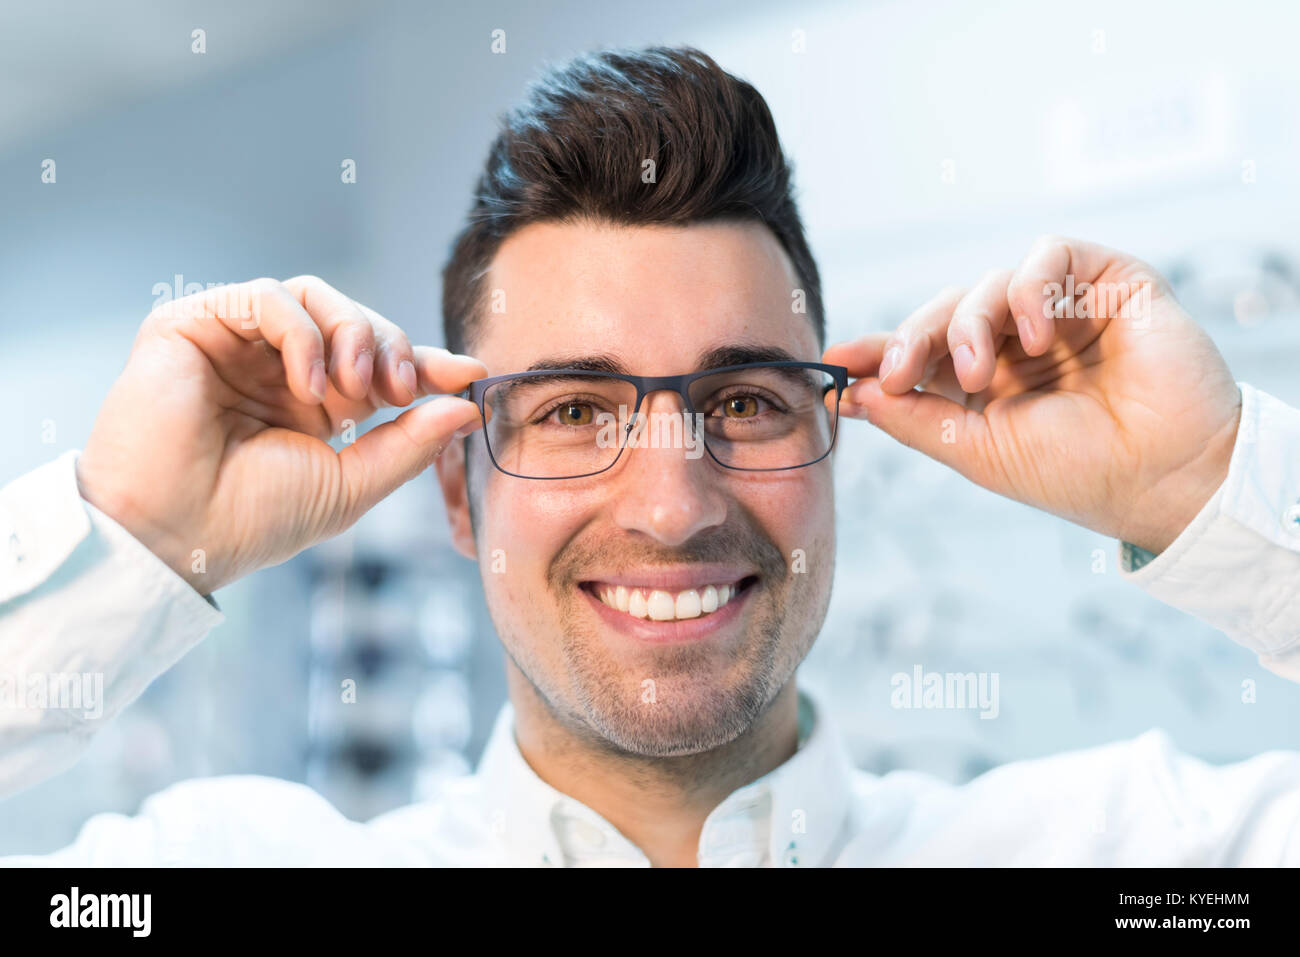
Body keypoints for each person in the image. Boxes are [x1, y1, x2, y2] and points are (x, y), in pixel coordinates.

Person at [1, 46, 1298, 868]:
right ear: (458, 487)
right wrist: (129, 536)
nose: (675, 506)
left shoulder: (1144, 861)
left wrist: (1211, 481)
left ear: (835, 443)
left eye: (743, 401)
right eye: (572, 409)